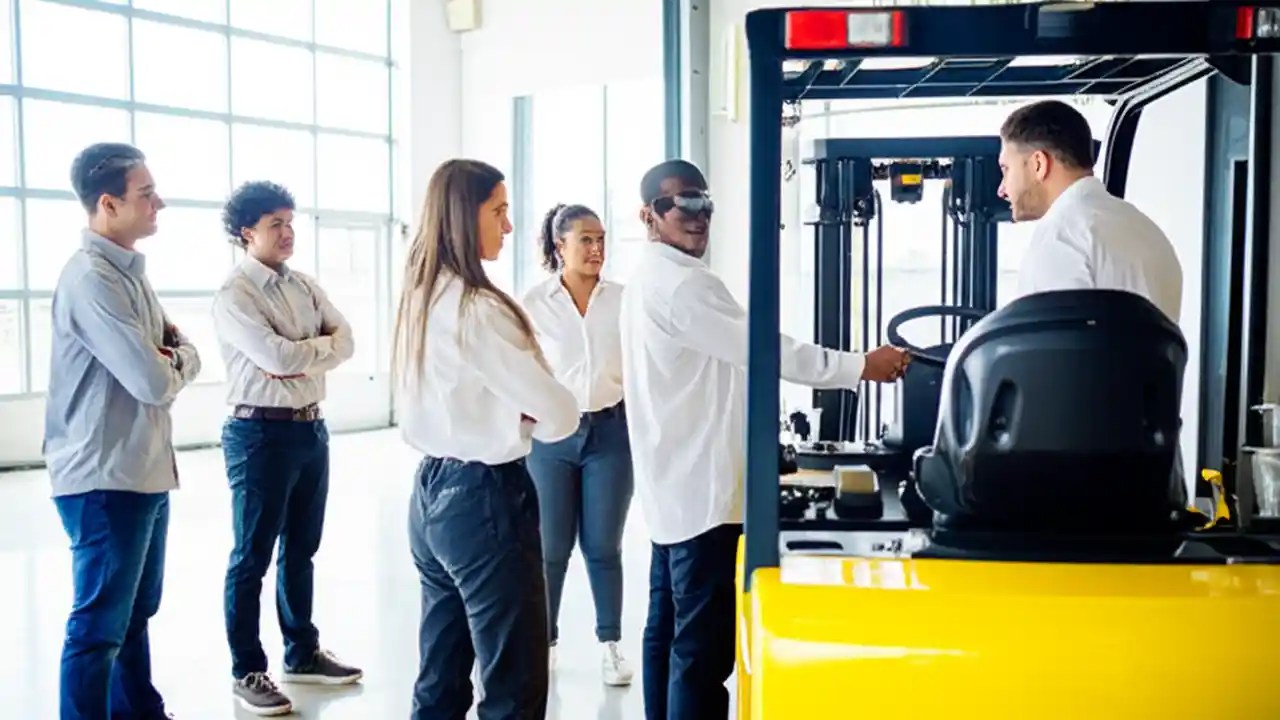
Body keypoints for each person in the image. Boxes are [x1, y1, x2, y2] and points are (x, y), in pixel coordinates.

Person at [620, 159, 909, 720]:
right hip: (702, 495)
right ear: (650, 214)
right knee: (701, 654)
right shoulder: (683, 284)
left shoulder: (649, 277)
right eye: (684, 205)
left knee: (668, 635)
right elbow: (765, 348)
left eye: (705, 205)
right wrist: (859, 366)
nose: (699, 218)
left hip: (673, 487)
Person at [393, 159, 580, 719]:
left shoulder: (421, 297)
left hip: (430, 496)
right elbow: (560, 411)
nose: (509, 225)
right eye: (498, 211)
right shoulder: (479, 308)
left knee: (440, 678)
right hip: (483, 500)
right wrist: (522, 420)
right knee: (514, 686)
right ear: (461, 216)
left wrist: (508, 415)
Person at [44, 142, 200, 720]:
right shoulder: (92, 280)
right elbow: (153, 378)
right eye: (146, 194)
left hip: (143, 470)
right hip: (105, 477)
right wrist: (174, 359)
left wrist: (173, 357)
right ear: (108, 204)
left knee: (134, 612)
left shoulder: (129, 273)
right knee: (100, 623)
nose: (160, 202)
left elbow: (177, 352)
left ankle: (140, 712)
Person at [210, 181, 362, 715]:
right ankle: (247, 669)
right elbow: (275, 358)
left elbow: (346, 341)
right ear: (246, 232)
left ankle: (301, 653)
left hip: (309, 429)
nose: (288, 232)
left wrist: (304, 352)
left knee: (302, 549)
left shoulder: (304, 285)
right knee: (250, 556)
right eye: (276, 224)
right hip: (258, 435)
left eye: (291, 222)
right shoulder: (235, 295)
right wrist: (306, 352)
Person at [521, 203, 634, 685]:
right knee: (550, 547)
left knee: (603, 545)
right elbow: (519, 366)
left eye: (602, 239)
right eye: (585, 239)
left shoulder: (626, 299)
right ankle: (543, 643)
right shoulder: (532, 302)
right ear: (558, 246)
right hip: (552, 436)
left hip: (611, 432)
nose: (596, 249)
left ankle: (610, 646)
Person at [997, 99, 1183, 322]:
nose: (1002, 189)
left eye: (1006, 169)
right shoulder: (1146, 230)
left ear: (1039, 164)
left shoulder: (1059, 237)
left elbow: (1048, 352)